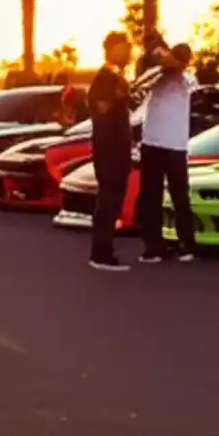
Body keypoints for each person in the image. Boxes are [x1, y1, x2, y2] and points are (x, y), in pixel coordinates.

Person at [136, 41, 198, 263]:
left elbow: (183, 76)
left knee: (180, 196)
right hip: (152, 142)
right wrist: (159, 63)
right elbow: (139, 83)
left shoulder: (188, 79)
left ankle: (187, 244)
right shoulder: (157, 75)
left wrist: (171, 64)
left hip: (175, 145)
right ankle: (154, 247)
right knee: (150, 197)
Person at [88, 31, 135, 271]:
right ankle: (101, 255)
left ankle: (103, 252)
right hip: (109, 155)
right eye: (124, 47)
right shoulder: (105, 78)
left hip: (116, 154)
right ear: (111, 48)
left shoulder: (116, 77)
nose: (129, 51)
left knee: (112, 203)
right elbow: (102, 111)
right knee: (108, 203)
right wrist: (119, 98)